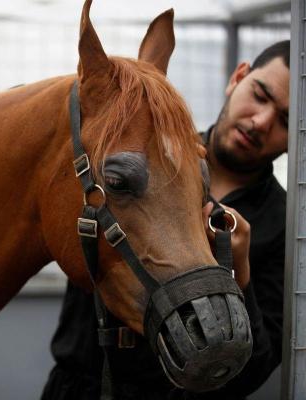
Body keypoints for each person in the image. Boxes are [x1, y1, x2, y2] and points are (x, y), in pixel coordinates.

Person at [41, 40, 290, 400]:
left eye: (285, 120)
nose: (261, 121)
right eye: (261, 95)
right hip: (75, 384)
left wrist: (241, 272)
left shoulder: (283, 225)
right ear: (238, 77)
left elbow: (252, 372)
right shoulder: (138, 151)